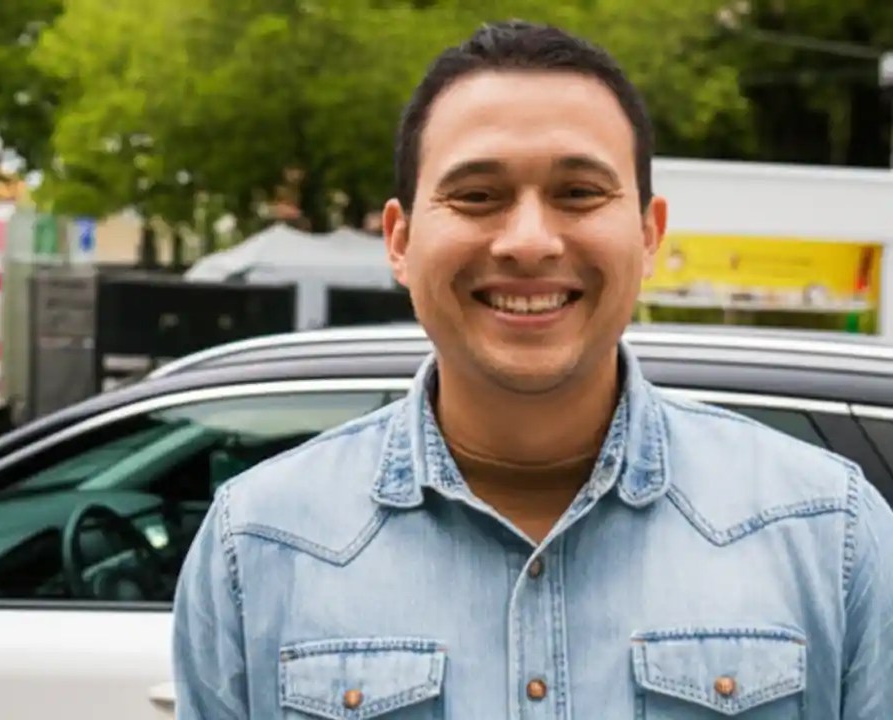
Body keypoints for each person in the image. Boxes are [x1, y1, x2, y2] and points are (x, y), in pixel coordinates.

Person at [171, 19, 893, 719]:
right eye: (477, 196)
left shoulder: (829, 532)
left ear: (648, 234)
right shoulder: (260, 542)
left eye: (578, 193)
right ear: (400, 240)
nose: (527, 241)